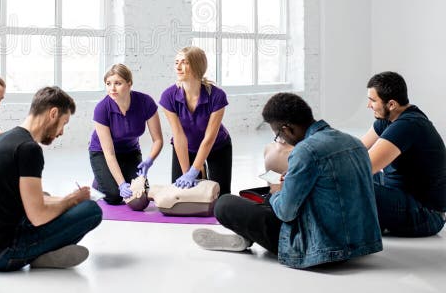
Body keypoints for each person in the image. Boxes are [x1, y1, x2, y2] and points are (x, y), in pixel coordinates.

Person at [192, 93, 383, 269]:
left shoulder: (305, 151)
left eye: (278, 134)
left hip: (323, 246)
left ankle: (246, 236)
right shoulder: (355, 143)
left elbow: (286, 213)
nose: (280, 139)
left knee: (225, 204)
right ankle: (248, 232)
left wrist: (278, 191)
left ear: (288, 129)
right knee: (262, 195)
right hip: (362, 241)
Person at [0, 86, 103, 271]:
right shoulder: (29, 149)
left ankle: (43, 253)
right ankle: (40, 255)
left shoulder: (5, 138)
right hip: (0, 255)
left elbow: (24, 198)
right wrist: (70, 201)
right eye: (64, 123)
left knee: (44, 195)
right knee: (91, 210)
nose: (61, 132)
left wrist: (68, 199)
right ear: (53, 113)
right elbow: (38, 216)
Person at [361, 71, 446, 237]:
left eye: (373, 100)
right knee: (350, 180)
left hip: (426, 215)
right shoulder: (388, 120)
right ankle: (372, 221)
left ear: (392, 104)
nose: (368, 105)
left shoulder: (408, 125)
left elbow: (363, 167)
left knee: (352, 185)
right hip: (398, 193)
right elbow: (357, 150)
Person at [160, 46, 232, 195]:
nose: (178, 67)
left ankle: (200, 168)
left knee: (222, 195)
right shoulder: (168, 96)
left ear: (197, 66)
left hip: (217, 146)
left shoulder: (217, 96)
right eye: (176, 62)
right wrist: (187, 172)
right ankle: (200, 169)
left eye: (184, 62)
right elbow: (178, 136)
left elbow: (209, 138)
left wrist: (194, 170)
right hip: (186, 147)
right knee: (183, 193)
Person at [89, 64, 164, 204]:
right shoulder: (101, 109)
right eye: (108, 83)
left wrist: (149, 160)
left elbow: (158, 140)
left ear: (129, 84)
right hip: (102, 153)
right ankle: (100, 180)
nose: (112, 88)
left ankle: (116, 174)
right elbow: (109, 153)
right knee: (114, 196)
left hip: (130, 152)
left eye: (118, 83)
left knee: (140, 194)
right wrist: (122, 183)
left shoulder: (145, 102)